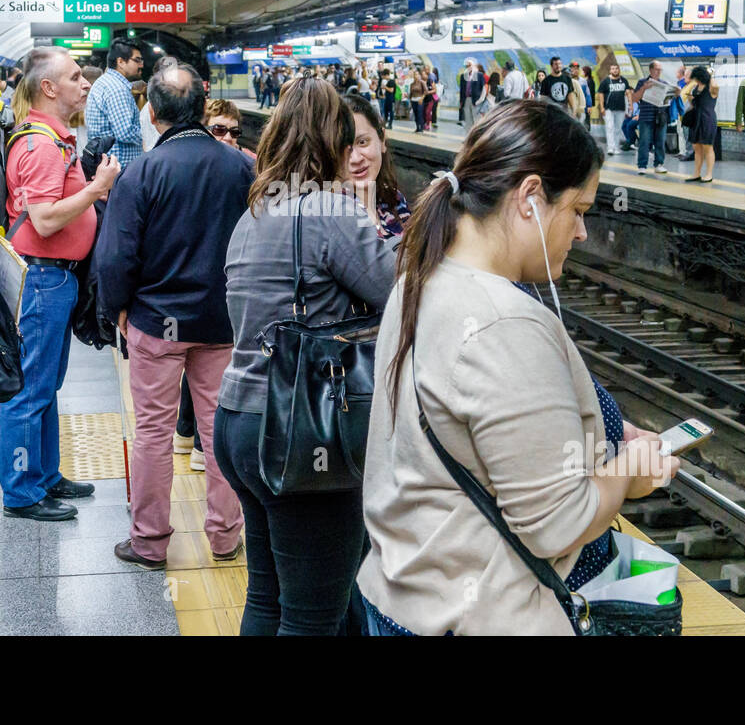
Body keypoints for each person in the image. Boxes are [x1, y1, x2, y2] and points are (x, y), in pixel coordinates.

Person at [358, 100, 678, 635]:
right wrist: (630, 470)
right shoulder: (500, 323)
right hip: (483, 616)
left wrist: (602, 440)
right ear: (530, 197)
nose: (580, 233)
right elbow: (555, 524)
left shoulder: (422, 279)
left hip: (406, 594)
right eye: (578, 210)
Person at [216, 79, 400, 635]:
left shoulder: (255, 213)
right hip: (302, 430)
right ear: (334, 143)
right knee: (311, 618)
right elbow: (400, 297)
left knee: (267, 599)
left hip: (238, 422)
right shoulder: (330, 212)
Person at [95, 63, 251, 569]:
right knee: (218, 433)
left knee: (154, 435)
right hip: (222, 323)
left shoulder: (141, 171)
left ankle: (149, 543)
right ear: (203, 110)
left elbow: (117, 256)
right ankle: (226, 537)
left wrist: (117, 307)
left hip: (156, 324)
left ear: (154, 113)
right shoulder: (241, 168)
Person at [1, 47, 121, 521]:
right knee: (29, 390)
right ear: (48, 88)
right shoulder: (41, 146)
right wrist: (97, 189)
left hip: (55, 279)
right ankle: (22, 492)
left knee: (46, 385)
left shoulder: (55, 139)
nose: (85, 83)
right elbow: (46, 220)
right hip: (42, 279)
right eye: (75, 77)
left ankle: (46, 475)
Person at [343, 94, 410, 238]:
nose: (355, 159)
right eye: (341, 149)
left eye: (362, 142)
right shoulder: (332, 216)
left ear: (382, 140)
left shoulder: (395, 199)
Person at [86, 39, 146, 171]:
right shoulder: (117, 89)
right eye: (137, 60)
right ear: (121, 62)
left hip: (109, 166)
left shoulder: (106, 82)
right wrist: (150, 134)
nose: (141, 65)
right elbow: (125, 132)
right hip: (120, 169)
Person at [631, 60, 671, 175]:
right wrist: (644, 88)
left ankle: (659, 164)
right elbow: (634, 99)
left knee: (660, 141)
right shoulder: (642, 82)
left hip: (661, 116)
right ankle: (642, 165)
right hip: (646, 116)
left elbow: (668, 100)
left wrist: (675, 94)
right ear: (651, 70)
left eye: (660, 70)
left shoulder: (664, 83)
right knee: (644, 141)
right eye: (657, 69)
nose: (659, 72)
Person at [683, 66, 718, 183]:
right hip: (696, 119)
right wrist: (690, 99)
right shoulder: (696, 87)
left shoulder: (711, 87)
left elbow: (715, 86)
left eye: (697, 78)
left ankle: (709, 174)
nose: (695, 80)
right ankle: (696, 173)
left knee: (707, 147)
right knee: (696, 147)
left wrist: (710, 75)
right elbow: (694, 104)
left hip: (707, 119)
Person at [597, 63, 630, 156]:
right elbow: (600, 94)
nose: (615, 70)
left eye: (616, 68)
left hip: (621, 108)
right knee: (610, 127)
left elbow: (628, 93)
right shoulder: (605, 81)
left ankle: (616, 147)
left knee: (618, 128)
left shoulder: (624, 80)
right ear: (610, 70)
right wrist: (602, 107)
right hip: (609, 108)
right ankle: (610, 147)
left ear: (619, 70)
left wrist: (630, 105)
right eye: (613, 69)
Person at [460, 59, 484, 130]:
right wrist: (461, 101)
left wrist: (480, 100)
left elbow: (482, 88)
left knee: (476, 119)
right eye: (467, 66)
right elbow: (462, 89)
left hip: (475, 100)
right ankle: (468, 137)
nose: (468, 67)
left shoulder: (478, 75)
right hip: (466, 99)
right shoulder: (463, 76)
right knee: (468, 119)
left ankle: (476, 137)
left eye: (470, 65)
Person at [408, 69, 427, 133]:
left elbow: (426, 91)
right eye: (415, 74)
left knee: (420, 114)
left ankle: (421, 128)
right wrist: (410, 100)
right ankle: (417, 128)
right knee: (415, 115)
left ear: (419, 75)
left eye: (417, 74)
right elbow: (410, 93)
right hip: (413, 100)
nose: (416, 76)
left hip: (420, 100)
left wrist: (422, 98)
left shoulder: (422, 82)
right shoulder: (412, 84)